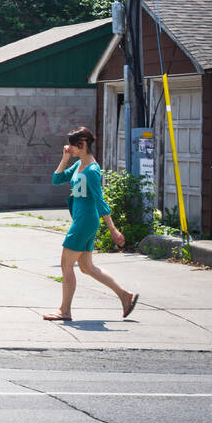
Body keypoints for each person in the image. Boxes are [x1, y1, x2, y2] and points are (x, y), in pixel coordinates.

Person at [42, 126, 139, 322]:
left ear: (83, 144)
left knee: (65, 264)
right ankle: (124, 295)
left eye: (72, 144)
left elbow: (100, 200)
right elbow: (56, 179)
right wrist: (65, 158)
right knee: (86, 267)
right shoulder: (79, 166)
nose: (69, 147)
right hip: (82, 220)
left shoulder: (92, 170)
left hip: (85, 221)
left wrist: (113, 230)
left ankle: (65, 310)